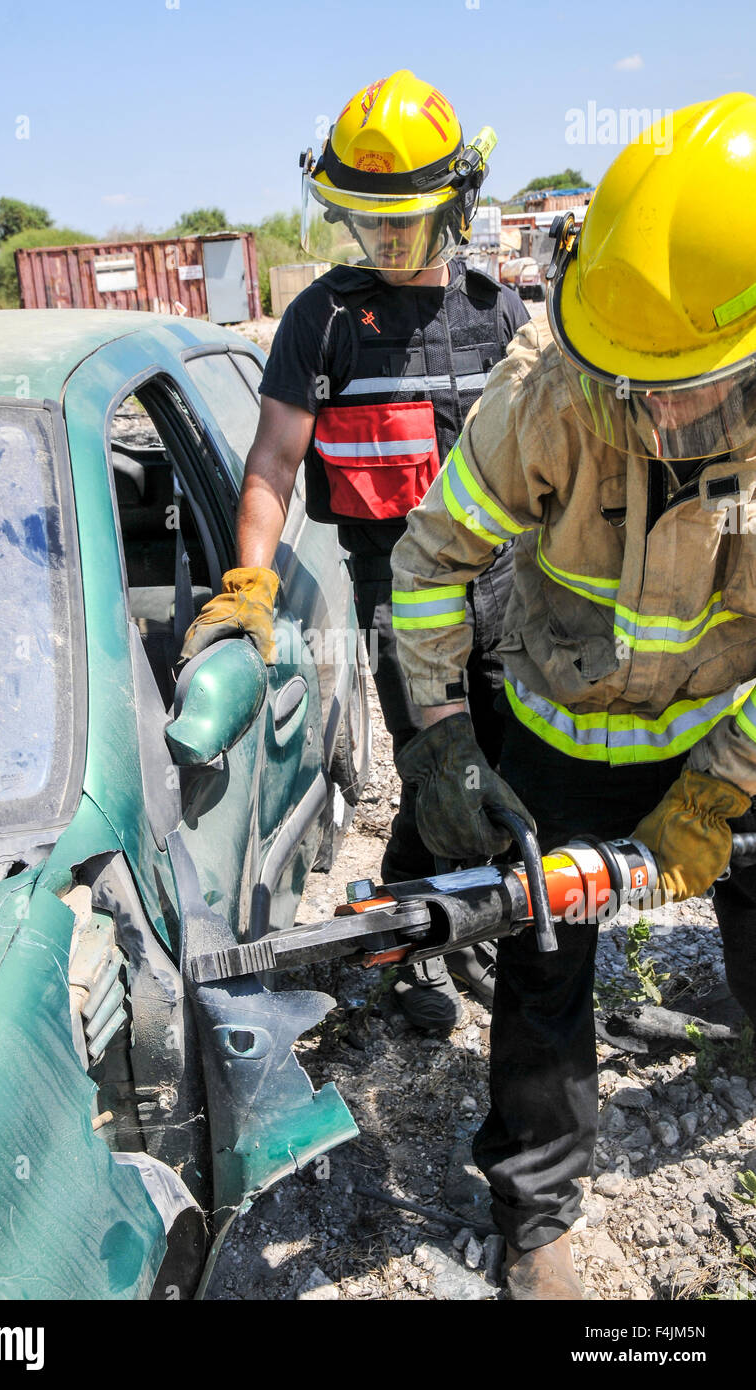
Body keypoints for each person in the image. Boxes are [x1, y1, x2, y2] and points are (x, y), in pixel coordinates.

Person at [390, 91, 756, 1298]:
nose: (650, 418)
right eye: (632, 385)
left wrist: (716, 793)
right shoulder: (554, 395)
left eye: (688, 392)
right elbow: (430, 562)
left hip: (726, 728)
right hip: (560, 729)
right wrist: (444, 737)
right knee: (546, 951)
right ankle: (534, 1206)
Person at [182, 69, 528, 1032]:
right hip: (396, 599)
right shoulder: (323, 321)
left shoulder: (499, 314)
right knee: (434, 764)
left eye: (403, 223)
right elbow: (273, 463)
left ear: (455, 203)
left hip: (510, 590)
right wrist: (248, 583)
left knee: (504, 762)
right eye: (365, 222)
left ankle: (486, 913)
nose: (383, 243)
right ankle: (414, 930)